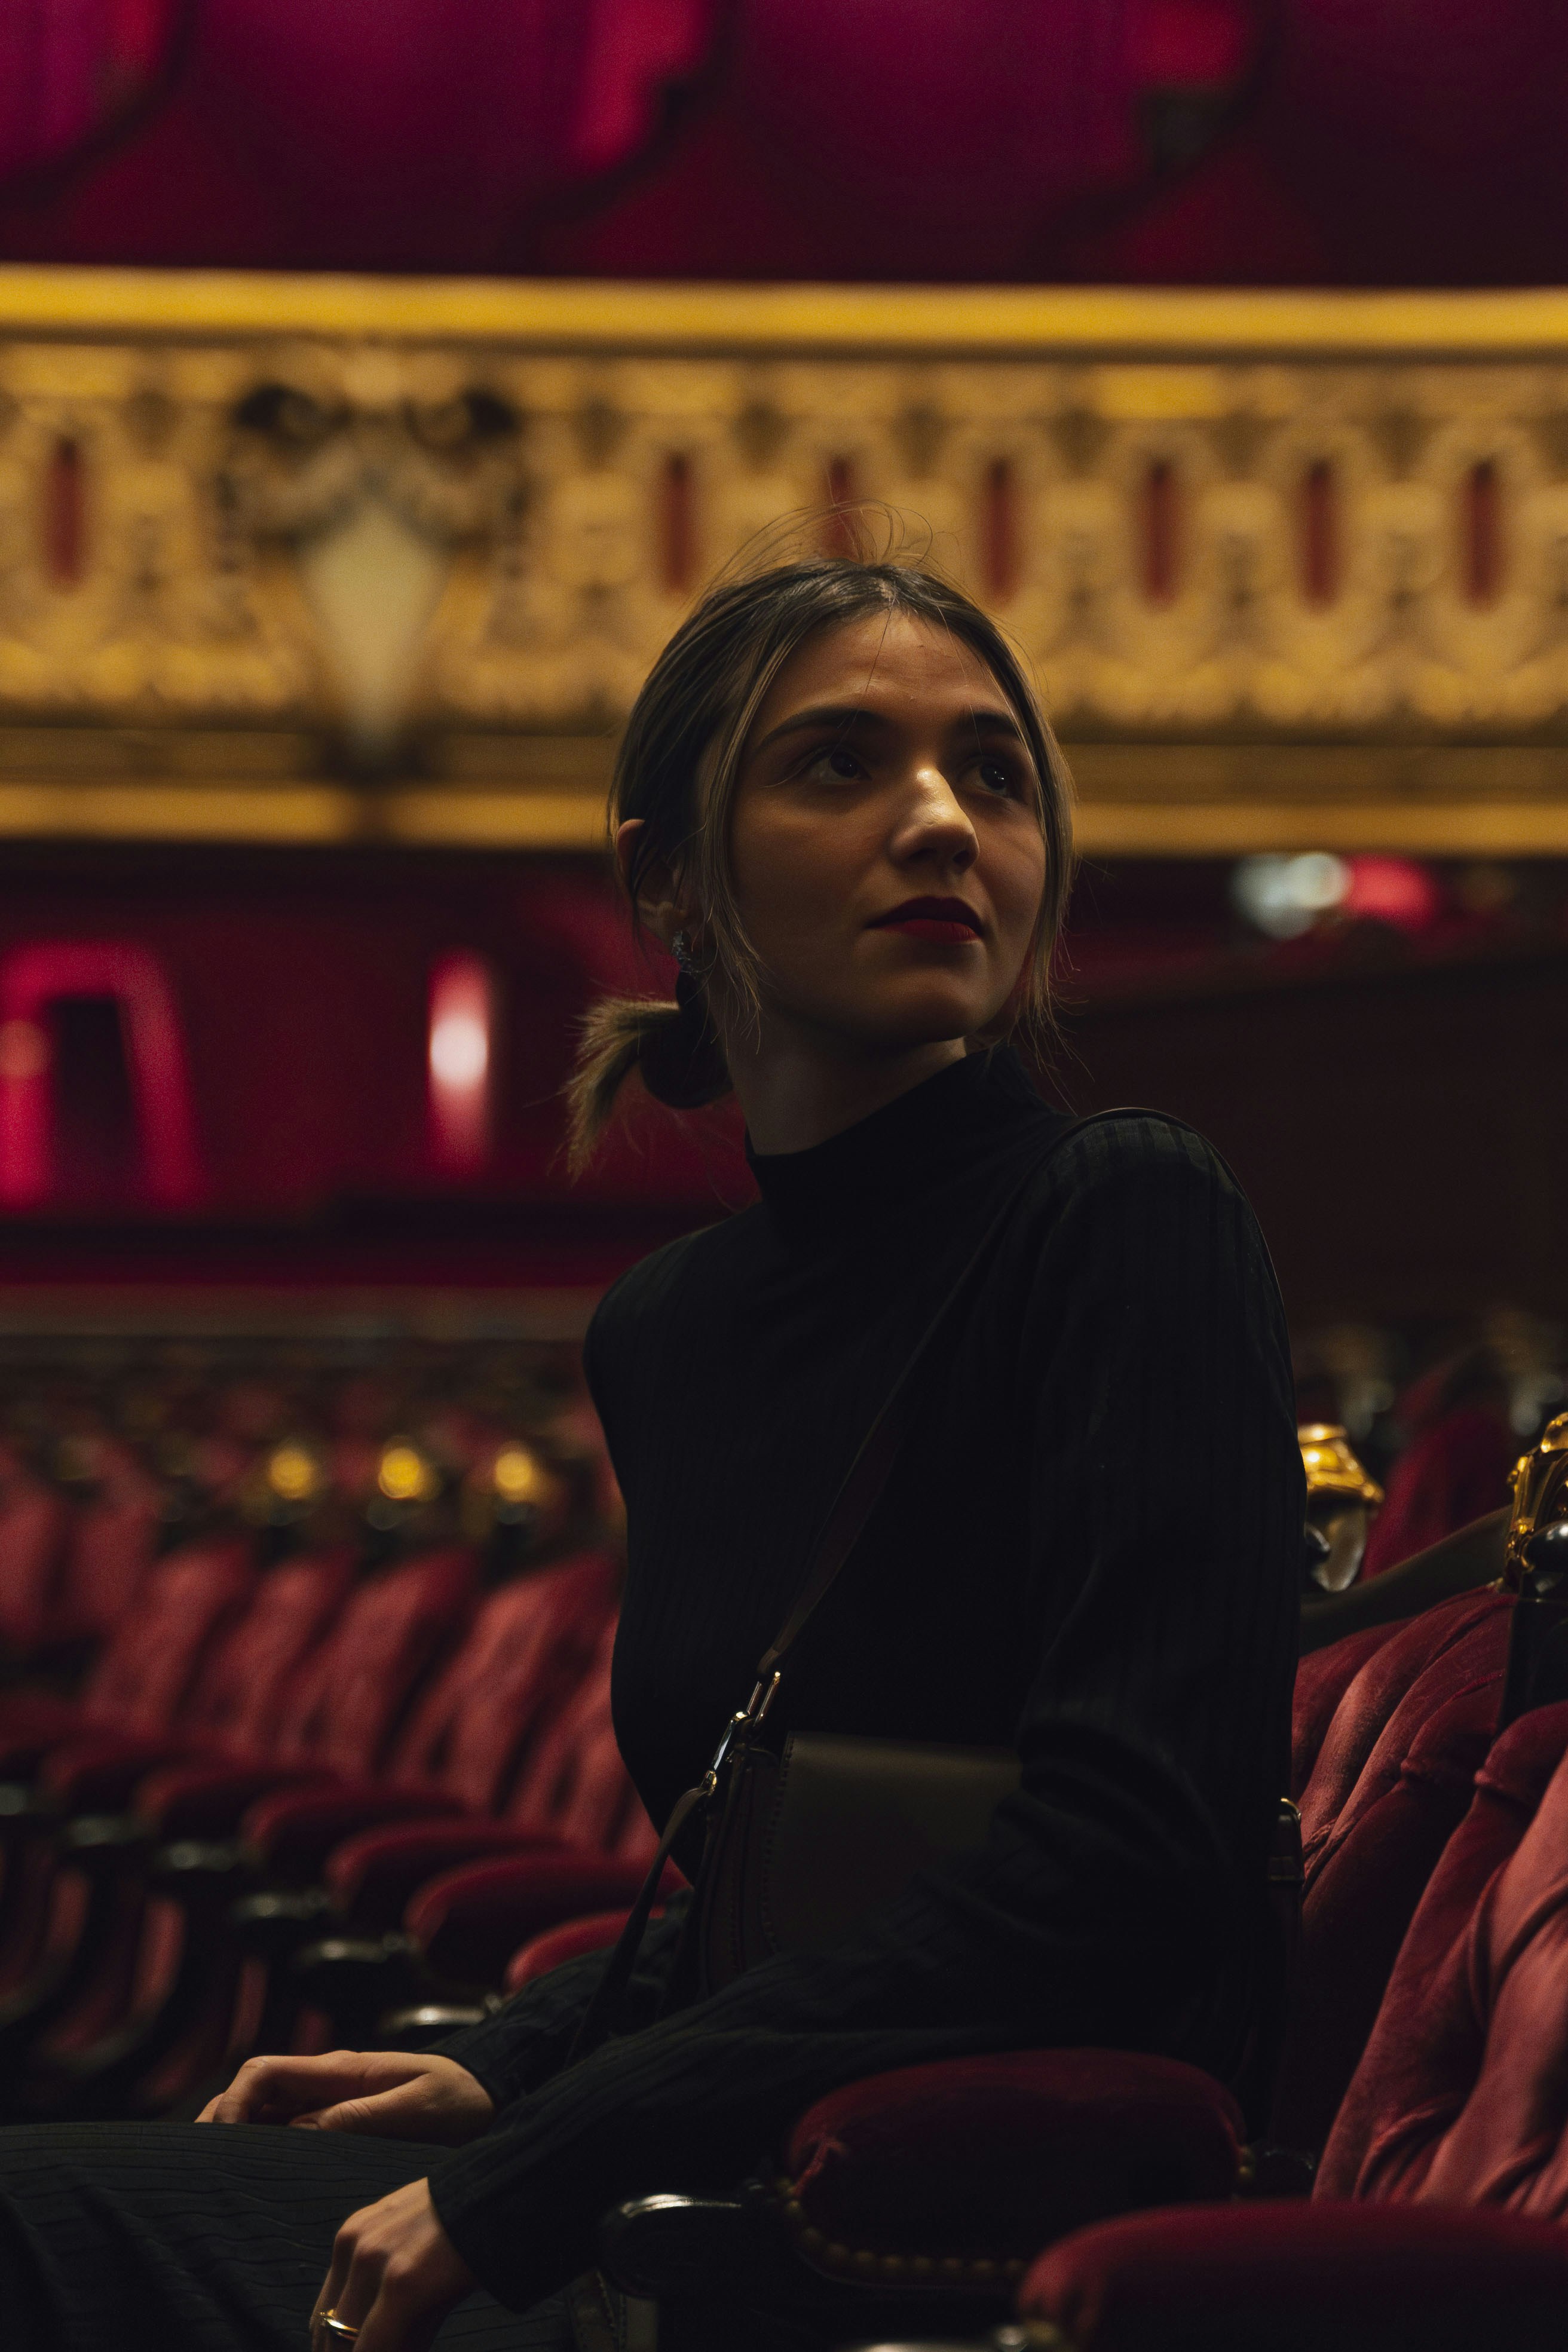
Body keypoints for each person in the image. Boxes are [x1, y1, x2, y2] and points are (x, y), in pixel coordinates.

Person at [0, 542, 1303, 2351]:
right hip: (685, 2165)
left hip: (883, 2241)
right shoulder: (672, 1324)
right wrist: (502, 2068)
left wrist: (539, 2152)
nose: (940, 822)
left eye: (991, 772)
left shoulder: (1127, 1213)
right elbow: (770, 1885)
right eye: (841, 762)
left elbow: (1125, 1862)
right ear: (670, 883)